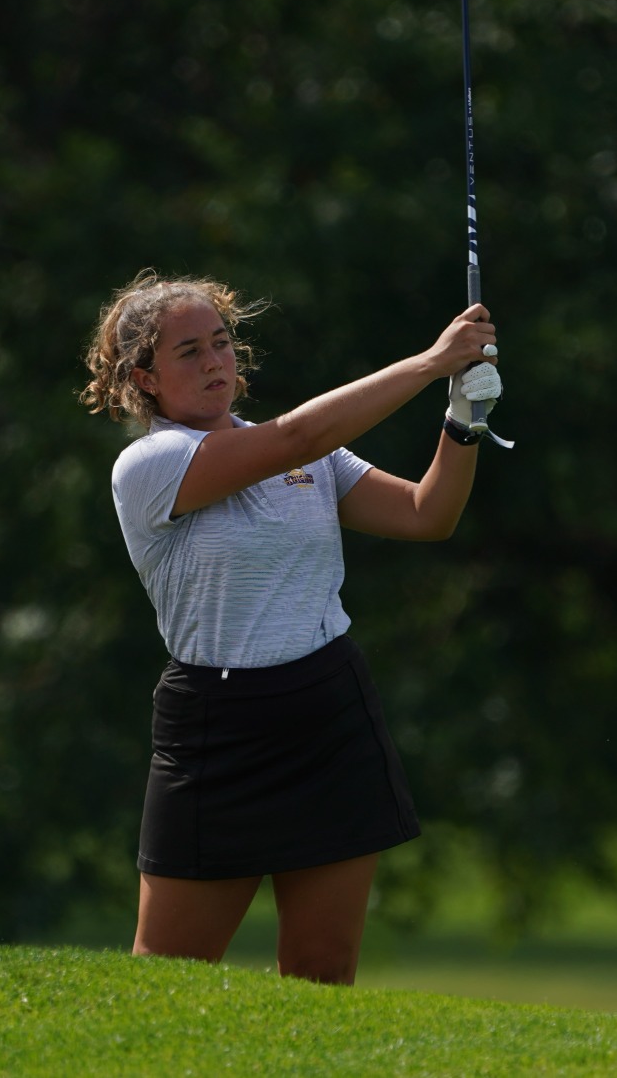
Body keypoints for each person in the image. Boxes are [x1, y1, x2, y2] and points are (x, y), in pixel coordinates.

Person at [80, 270, 503, 985]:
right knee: (165, 978)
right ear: (144, 379)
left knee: (321, 973)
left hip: (328, 711)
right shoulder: (147, 465)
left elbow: (427, 514)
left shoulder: (313, 460)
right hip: (217, 726)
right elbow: (298, 435)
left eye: (221, 343)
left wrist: (463, 418)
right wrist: (433, 362)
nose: (215, 362)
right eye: (190, 352)